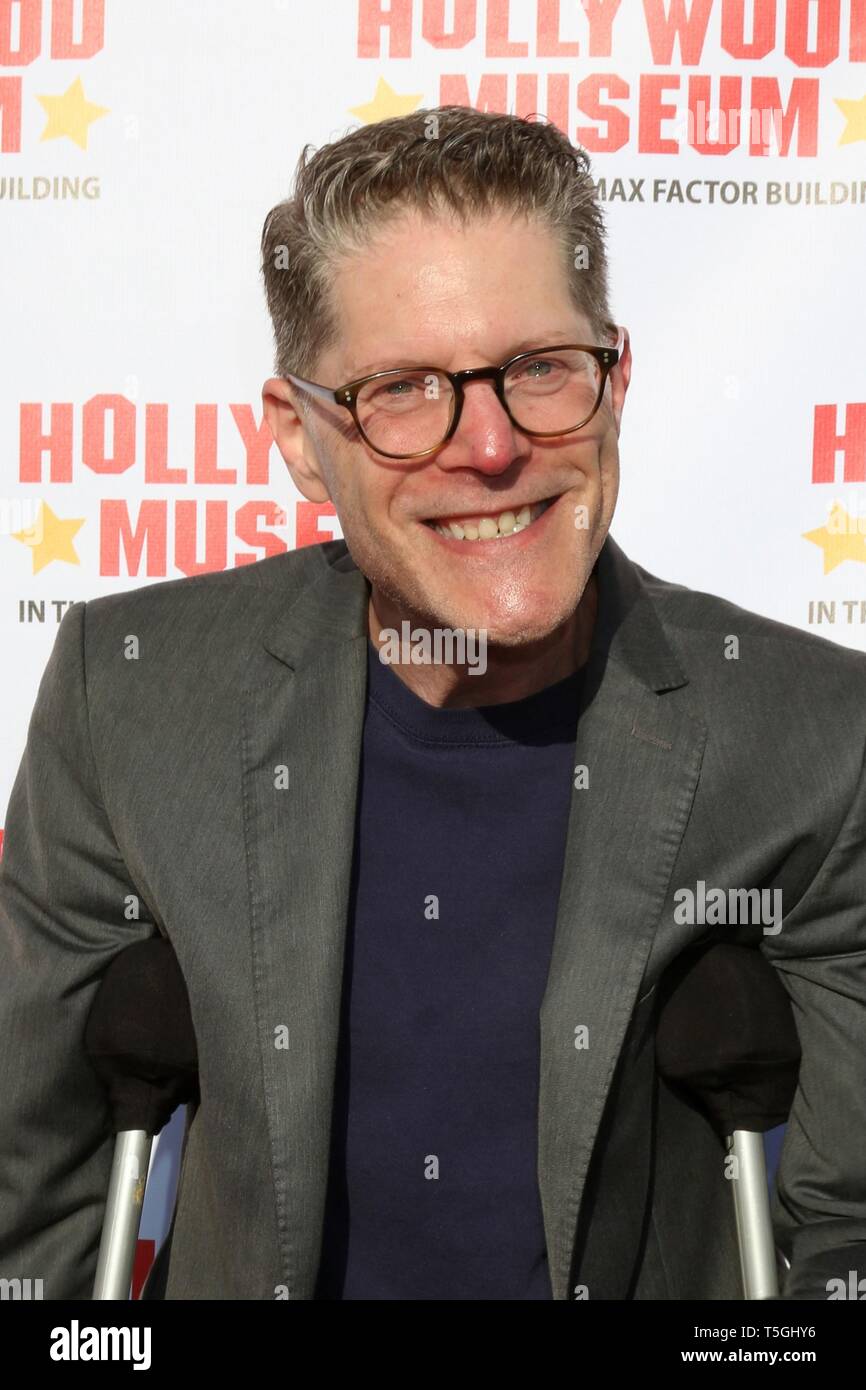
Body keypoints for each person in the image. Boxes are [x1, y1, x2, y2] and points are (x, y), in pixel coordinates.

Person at [1, 105, 864, 1302]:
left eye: (539, 369)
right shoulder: (130, 696)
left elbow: (847, 1237)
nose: (492, 446)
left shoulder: (811, 736)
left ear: (616, 380)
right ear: (303, 440)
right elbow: (26, 1202)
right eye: (404, 389)